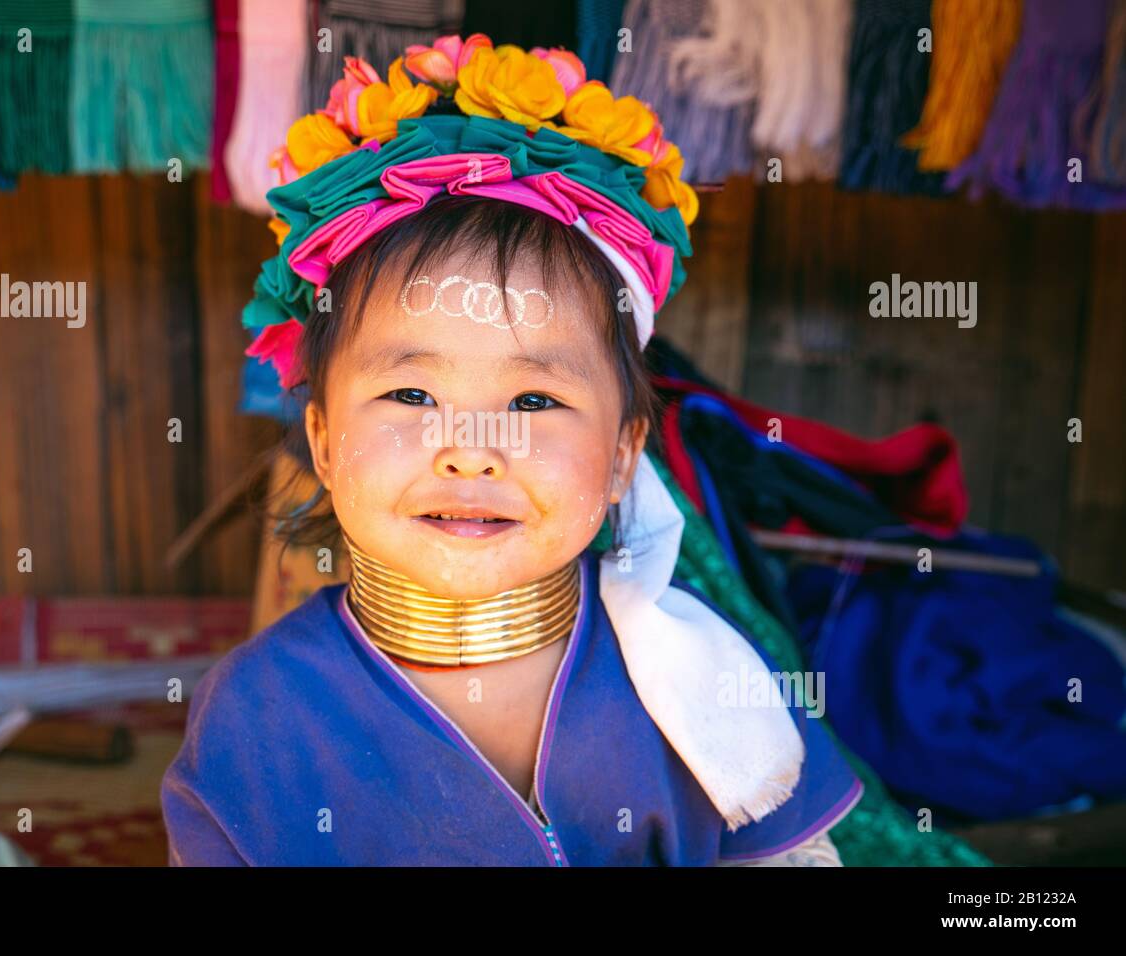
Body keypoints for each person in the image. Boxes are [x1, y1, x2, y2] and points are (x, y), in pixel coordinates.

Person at [162, 33, 862, 866]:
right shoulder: (258, 713)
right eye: (411, 395)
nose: (471, 452)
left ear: (620, 457)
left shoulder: (705, 683)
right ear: (320, 437)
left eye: (534, 401)